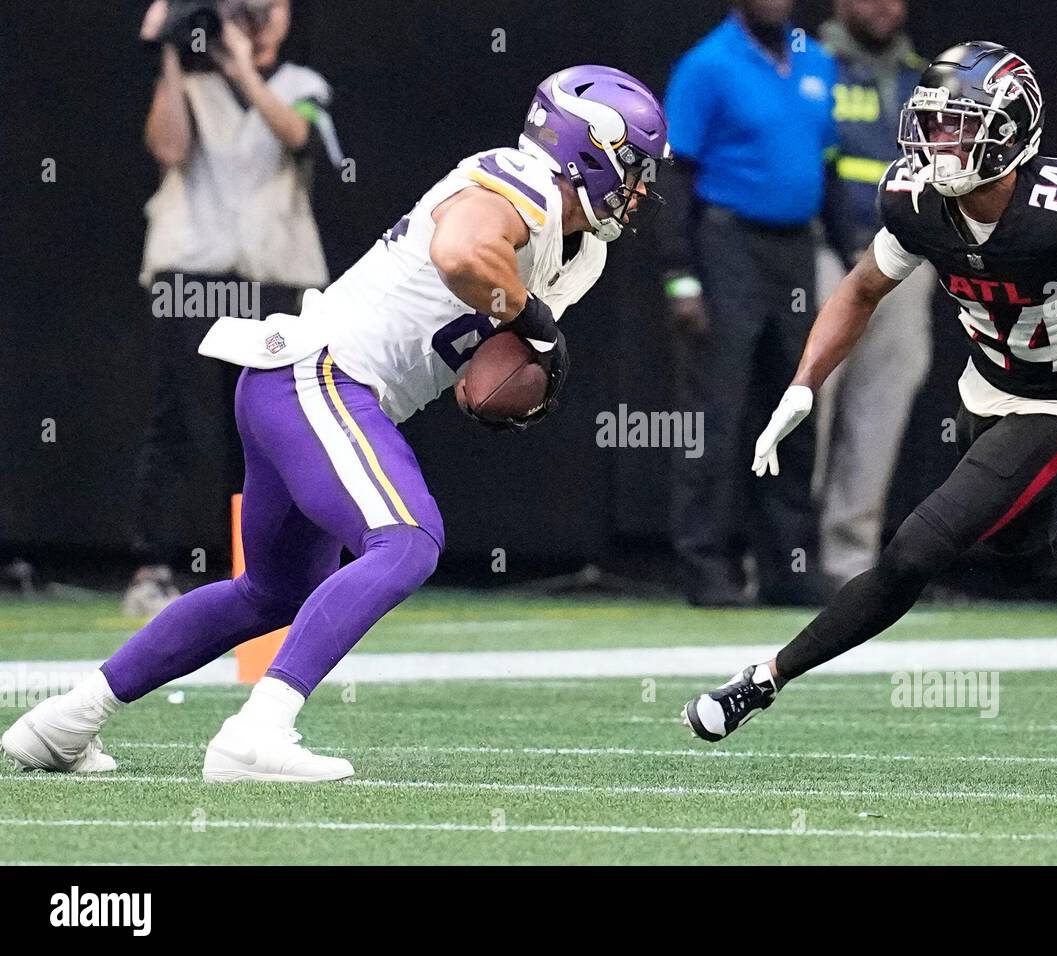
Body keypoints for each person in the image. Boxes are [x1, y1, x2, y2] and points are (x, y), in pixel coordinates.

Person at [3, 66, 670, 782]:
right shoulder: (523, 179)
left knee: (272, 591)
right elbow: (459, 255)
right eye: (634, 167)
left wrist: (516, 372)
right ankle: (257, 731)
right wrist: (536, 323)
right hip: (320, 377)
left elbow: (476, 370)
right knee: (408, 540)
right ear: (588, 150)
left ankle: (64, 721)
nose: (640, 190)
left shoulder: (584, 254)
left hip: (299, 386)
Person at [682, 41, 1057, 742]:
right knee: (1030, 560)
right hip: (988, 387)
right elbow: (862, 287)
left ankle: (763, 679)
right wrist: (803, 384)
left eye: (959, 126)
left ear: (1011, 132)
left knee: (914, 551)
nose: (939, 143)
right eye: (932, 124)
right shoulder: (916, 201)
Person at [126, 0, 343, 618]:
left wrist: (244, 69)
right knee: (176, 416)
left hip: (274, 275)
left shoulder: (304, 86)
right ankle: (153, 566)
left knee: (269, 422)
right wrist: (170, 52)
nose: (254, 16)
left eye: (267, 6)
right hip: (191, 270)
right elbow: (169, 148)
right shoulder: (191, 86)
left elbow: (298, 137)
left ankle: (269, 567)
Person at [660, 0, 838, 606]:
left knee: (795, 406)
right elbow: (675, 175)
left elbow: (827, 166)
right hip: (725, 242)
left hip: (797, 248)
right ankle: (705, 566)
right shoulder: (707, 65)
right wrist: (680, 278)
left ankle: (789, 568)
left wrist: (852, 253)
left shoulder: (817, 61)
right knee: (717, 412)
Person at [817, 0, 934, 585]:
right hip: (822, 255)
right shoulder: (810, 66)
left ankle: (849, 566)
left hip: (905, 259)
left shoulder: (928, 81)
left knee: (879, 414)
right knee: (807, 405)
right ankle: (785, 555)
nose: (885, 5)